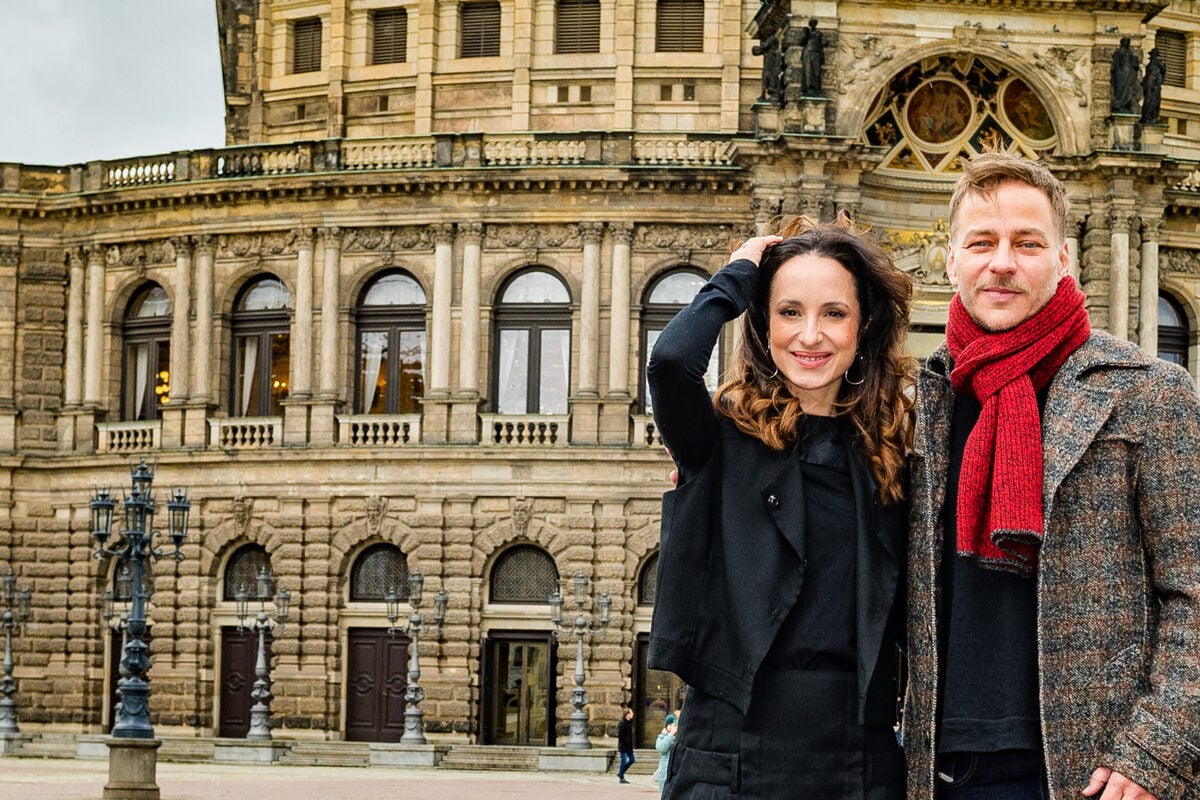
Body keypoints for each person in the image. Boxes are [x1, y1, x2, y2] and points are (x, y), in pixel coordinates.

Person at [903, 151, 1200, 800]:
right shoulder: (919, 403)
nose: (1002, 262)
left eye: (1027, 243)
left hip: (1099, 772)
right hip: (940, 771)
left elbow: (1193, 590)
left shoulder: (1148, 392)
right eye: (982, 242)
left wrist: (1157, 753)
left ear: (1064, 257)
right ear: (949, 260)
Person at [647, 214, 915, 799]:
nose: (810, 335)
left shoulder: (895, 454)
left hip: (859, 762)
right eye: (790, 312)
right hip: (726, 757)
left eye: (834, 313)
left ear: (864, 325)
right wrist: (737, 275)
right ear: (763, 324)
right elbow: (670, 362)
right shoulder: (716, 440)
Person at [1110, 36, 1140, 115]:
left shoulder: (1130, 53)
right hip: (1120, 74)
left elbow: (1134, 64)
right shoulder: (1118, 52)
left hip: (1129, 73)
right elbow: (1114, 65)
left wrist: (1135, 63)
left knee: (1128, 90)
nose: (1127, 43)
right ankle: (1118, 105)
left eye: (1128, 42)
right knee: (1119, 90)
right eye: (1126, 41)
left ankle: (1125, 106)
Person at [654, 714, 679, 795]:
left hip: (676, 772)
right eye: (671, 725)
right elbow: (662, 748)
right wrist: (670, 735)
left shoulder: (678, 738)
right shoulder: (662, 737)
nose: (673, 727)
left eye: (674, 725)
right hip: (664, 773)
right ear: (667, 726)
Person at [1140, 47, 1167, 125]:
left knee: (1154, 101)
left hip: (1154, 85)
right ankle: (1147, 117)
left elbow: (1163, 72)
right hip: (1150, 85)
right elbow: (1148, 76)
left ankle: (1152, 117)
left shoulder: (1157, 64)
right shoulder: (1150, 65)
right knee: (1149, 101)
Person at [617, 706, 636, 784]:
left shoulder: (630, 723)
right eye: (631, 713)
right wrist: (626, 743)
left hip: (629, 746)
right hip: (623, 746)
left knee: (632, 760)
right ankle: (621, 777)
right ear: (627, 714)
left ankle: (620, 773)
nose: (633, 714)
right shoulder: (622, 723)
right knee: (624, 761)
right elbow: (621, 736)